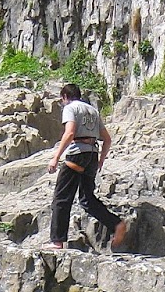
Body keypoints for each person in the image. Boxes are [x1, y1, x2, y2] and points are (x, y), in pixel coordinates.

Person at [47, 82, 129, 251]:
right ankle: (117, 224)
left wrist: (56, 157)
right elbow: (107, 139)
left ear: (65, 97)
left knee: (62, 198)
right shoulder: (92, 110)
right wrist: (101, 160)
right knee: (87, 199)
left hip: (77, 154)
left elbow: (70, 132)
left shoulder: (70, 108)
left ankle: (57, 241)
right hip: (92, 155)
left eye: (62, 100)